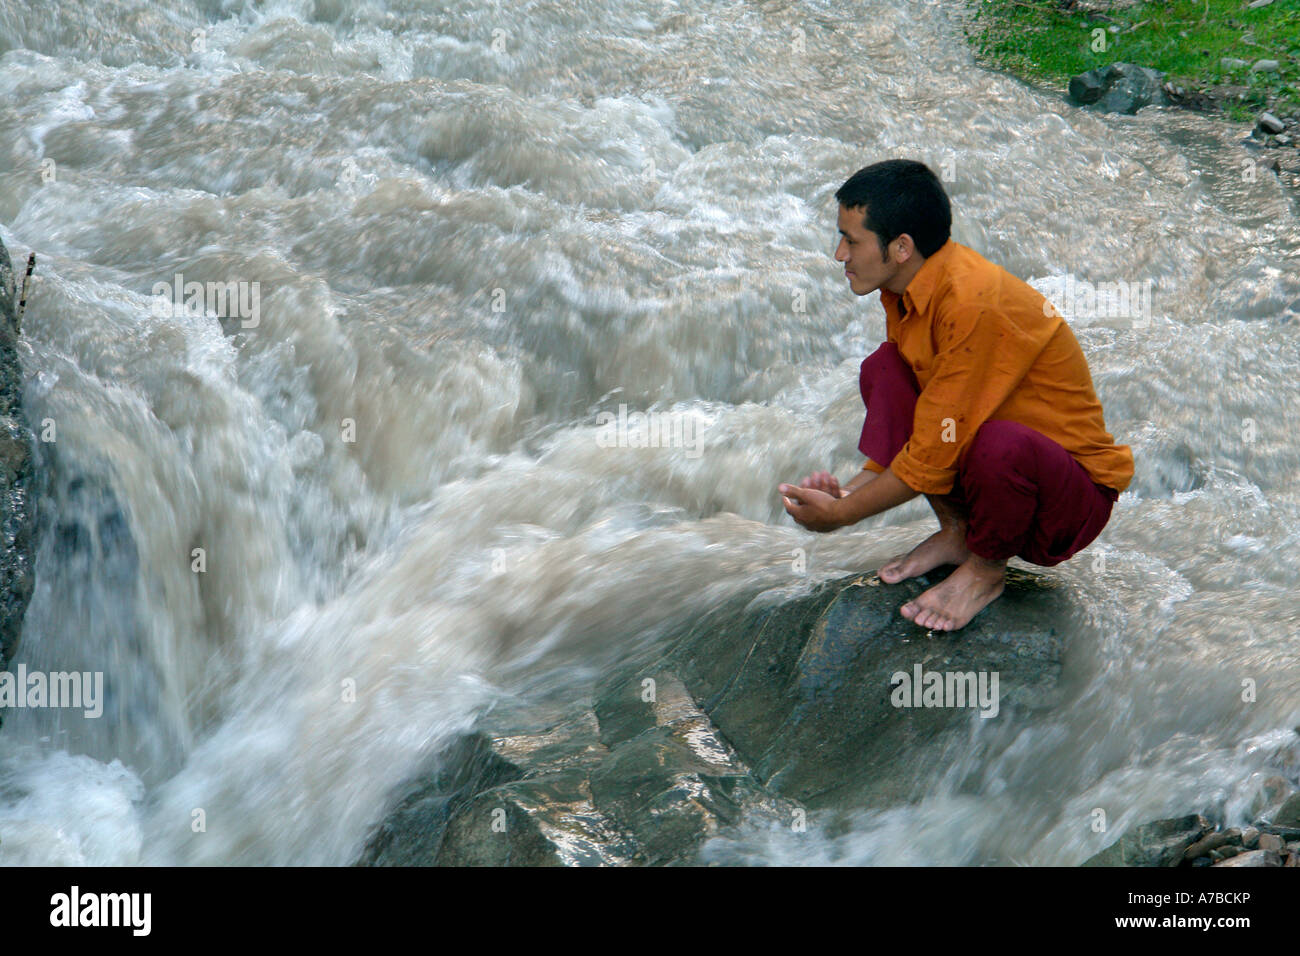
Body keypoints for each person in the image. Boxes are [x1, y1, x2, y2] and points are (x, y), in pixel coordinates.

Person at [778, 159, 1134, 631]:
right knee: (884, 369)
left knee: (999, 444)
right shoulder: (905, 289)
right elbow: (931, 426)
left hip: (1064, 501)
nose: (839, 254)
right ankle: (959, 532)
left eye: (852, 240)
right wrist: (849, 490)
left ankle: (986, 570)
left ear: (901, 247)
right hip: (994, 480)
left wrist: (841, 514)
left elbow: (932, 451)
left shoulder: (971, 302)